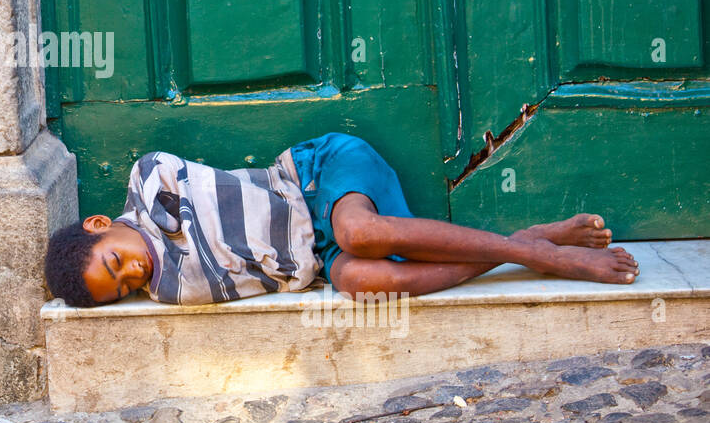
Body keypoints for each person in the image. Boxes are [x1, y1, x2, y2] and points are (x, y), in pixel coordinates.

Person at [44, 132, 638, 307]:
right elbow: (200, 273)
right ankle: (514, 247)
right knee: (357, 278)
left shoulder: (148, 179)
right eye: (121, 288)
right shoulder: (170, 290)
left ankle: (546, 255)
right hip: (323, 259)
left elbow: (174, 222)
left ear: (101, 222)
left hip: (317, 177)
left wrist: (177, 245)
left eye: (116, 262)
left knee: (360, 233)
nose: (135, 273)